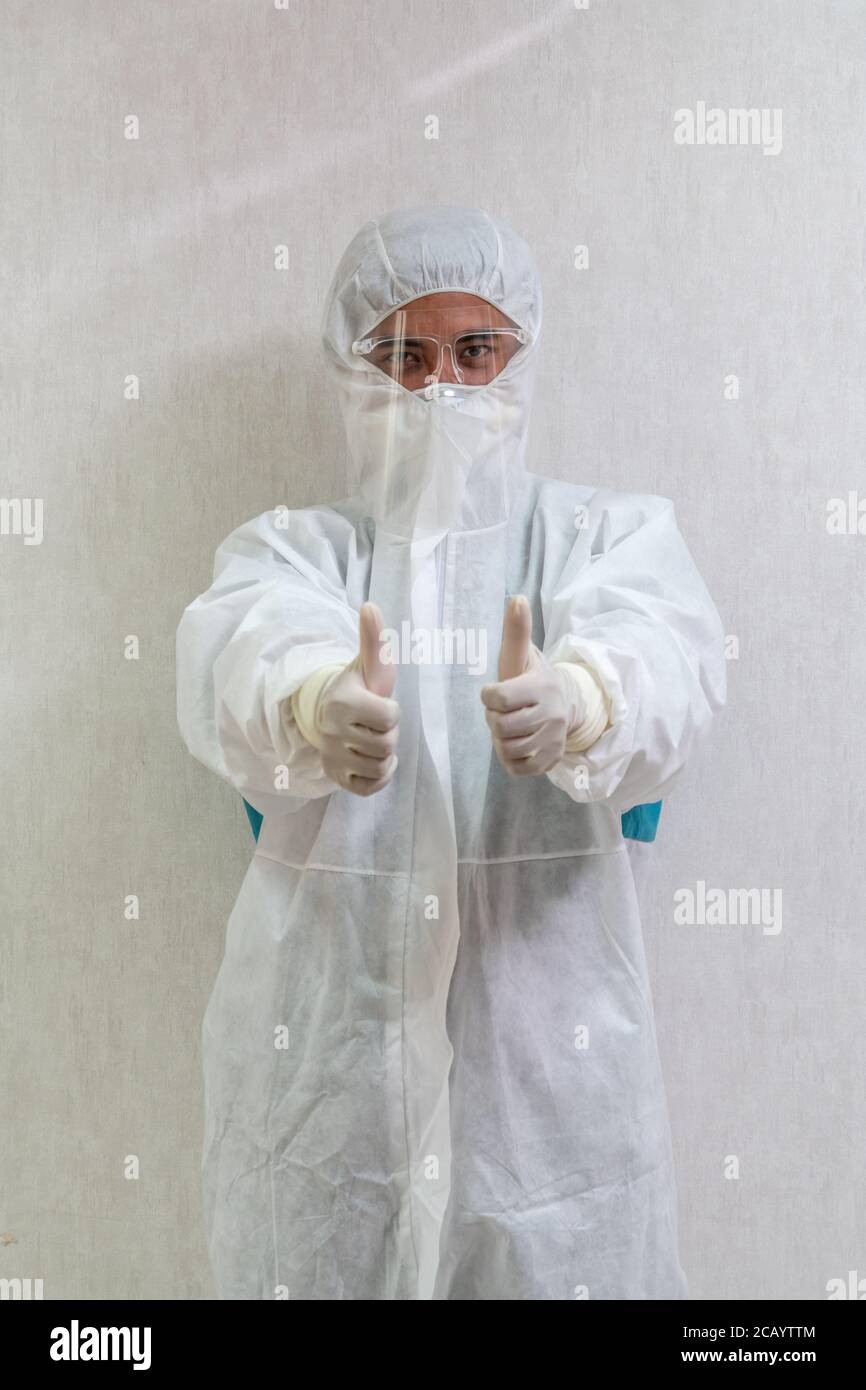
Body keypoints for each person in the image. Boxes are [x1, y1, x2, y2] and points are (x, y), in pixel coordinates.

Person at [175, 205, 726, 1300]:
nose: (439, 389)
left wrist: (588, 698)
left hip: (549, 1085)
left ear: (520, 359)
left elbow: (667, 650)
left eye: (475, 352)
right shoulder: (300, 551)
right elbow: (239, 646)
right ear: (350, 368)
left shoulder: (597, 540)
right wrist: (307, 699)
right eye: (402, 355)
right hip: (329, 1080)